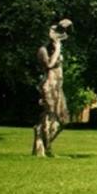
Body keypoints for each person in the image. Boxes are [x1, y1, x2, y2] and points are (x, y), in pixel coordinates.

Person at [32, 19, 71, 156]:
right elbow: (49, 65)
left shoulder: (56, 49)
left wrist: (65, 25)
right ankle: (45, 148)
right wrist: (58, 48)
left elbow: (68, 30)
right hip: (49, 86)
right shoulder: (42, 50)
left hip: (58, 87)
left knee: (64, 119)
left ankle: (41, 139)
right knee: (50, 116)